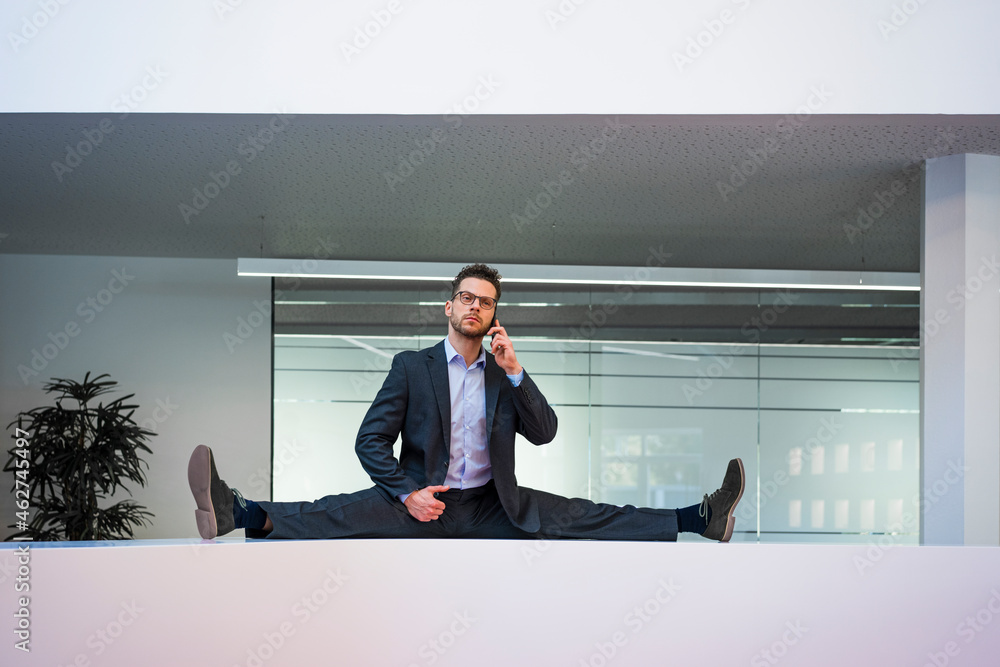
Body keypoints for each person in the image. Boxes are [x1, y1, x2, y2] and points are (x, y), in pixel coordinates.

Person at [188, 263, 744, 543]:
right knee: (335, 513)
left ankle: (700, 518)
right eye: (467, 298)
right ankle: (234, 511)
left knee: (583, 515)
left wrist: (516, 371)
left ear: (494, 314)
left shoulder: (503, 371)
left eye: (487, 302)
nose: (475, 307)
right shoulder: (413, 367)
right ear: (448, 307)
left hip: (491, 504)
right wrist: (407, 494)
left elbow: (546, 432)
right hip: (421, 498)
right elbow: (369, 440)